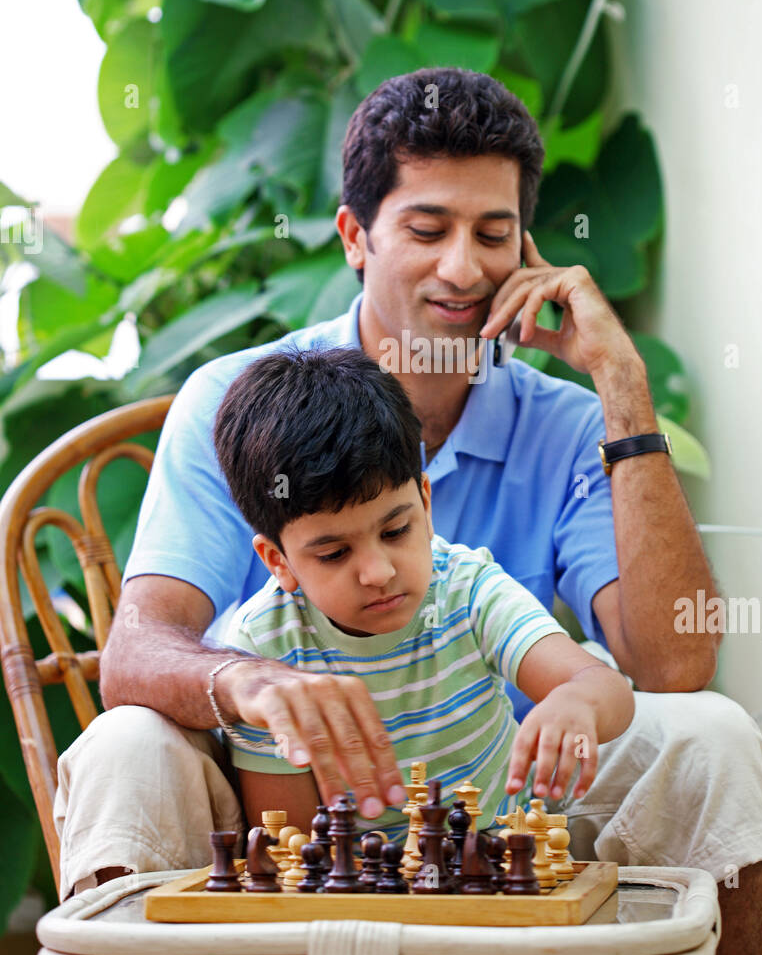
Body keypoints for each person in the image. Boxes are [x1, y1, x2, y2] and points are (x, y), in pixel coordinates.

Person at [54, 67, 762, 955]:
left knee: (713, 736)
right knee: (125, 747)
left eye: (493, 234)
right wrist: (256, 684)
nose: (464, 268)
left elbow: (674, 666)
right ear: (356, 236)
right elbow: (136, 652)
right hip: (278, 800)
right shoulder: (235, 406)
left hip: (505, 803)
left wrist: (622, 386)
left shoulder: (563, 426)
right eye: (428, 229)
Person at [210, 346, 634, 844]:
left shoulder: (467, 589)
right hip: (361, 891)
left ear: (425, 504)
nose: (377, 571)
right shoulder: (263, 651)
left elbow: (607, 688)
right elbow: (291, 846)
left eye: (395, 531)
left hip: (497, 864)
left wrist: (578, 700)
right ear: (278, 561)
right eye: (333, 554)